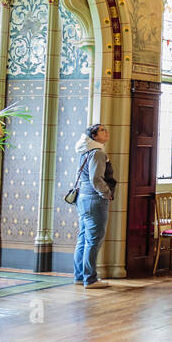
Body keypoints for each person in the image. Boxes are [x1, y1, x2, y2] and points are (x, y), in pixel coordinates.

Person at [73, 123, 116, 287]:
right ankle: (90, 279)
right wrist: (107, 194)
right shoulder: (97, 153)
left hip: (83, 198)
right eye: (102, 130)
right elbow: (96, 179)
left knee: (83, 238)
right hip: (94, 200)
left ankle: (79, 276)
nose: (107, 132)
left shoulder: (85, 151)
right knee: (93, 240)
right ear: (94, 136)